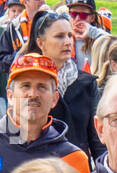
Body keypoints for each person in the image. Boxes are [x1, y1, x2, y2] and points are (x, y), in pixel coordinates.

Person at [24, 11, 100, 161]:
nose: (67, 42)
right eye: (59, 36)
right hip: (37, 171)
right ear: (40, 43)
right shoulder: (26, 83)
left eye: (69, 36)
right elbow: (17, 133)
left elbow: (97, 141)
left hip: (77, 171)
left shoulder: (86, 83)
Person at [0, 0, 49, 88]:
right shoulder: (13, 27)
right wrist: (21, 59)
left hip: (45, 81)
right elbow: (0, 60)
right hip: (20, 84)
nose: (42, 0)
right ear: (25, 2)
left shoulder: (51, 23)